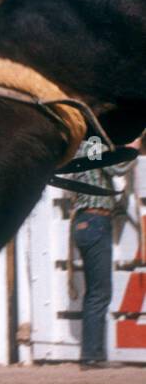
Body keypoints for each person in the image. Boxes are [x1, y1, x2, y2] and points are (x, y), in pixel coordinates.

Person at [71, 137, 140, 367]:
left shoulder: (80, 147)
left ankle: (93, 354)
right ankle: (91, 356)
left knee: (95, 291)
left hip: (86, 221)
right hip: (95, 220)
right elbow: (116, 168)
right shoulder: (92, 144)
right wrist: (133, 149)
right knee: (99, 292)